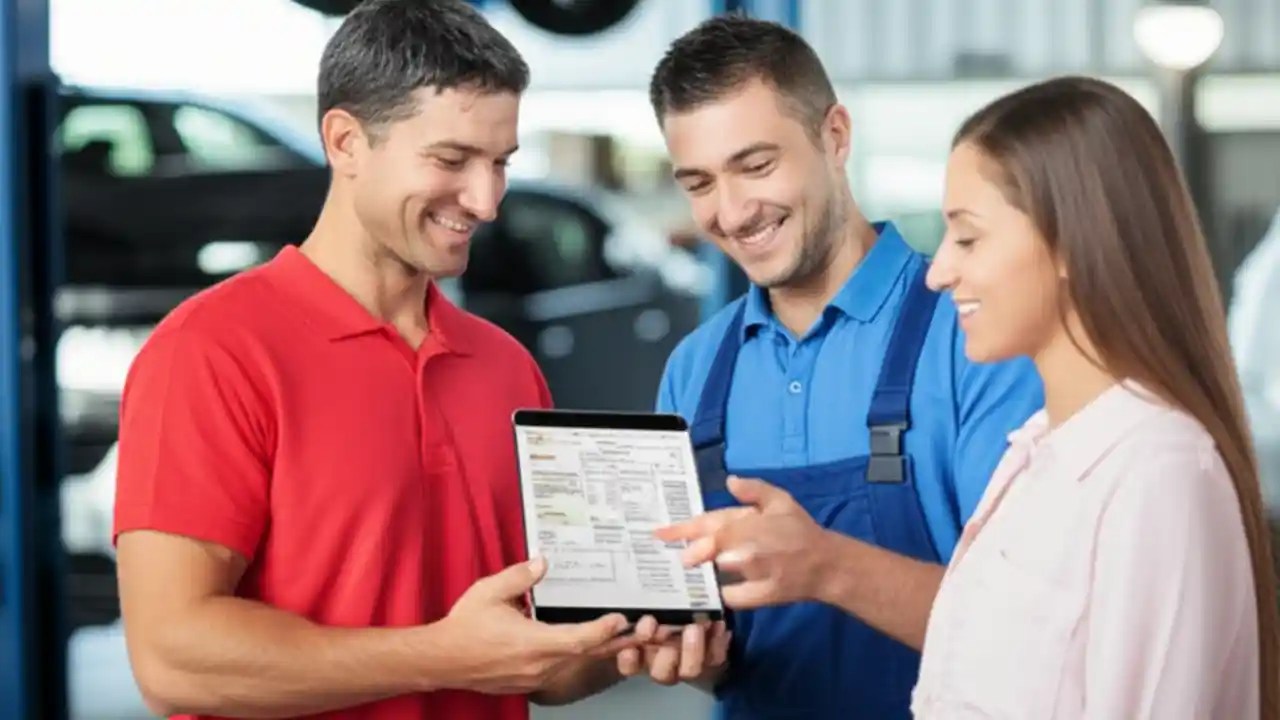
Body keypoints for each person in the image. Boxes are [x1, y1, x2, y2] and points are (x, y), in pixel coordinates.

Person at [670, 75, 1280, 719]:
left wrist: (826, 565)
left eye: (968, 237)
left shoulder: (1159, 472)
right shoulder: (1036, 452)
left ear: (1070, 240)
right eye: (698, 183)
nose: (937, 271)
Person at [111, 2, 650, 719]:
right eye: (452, 160)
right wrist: (442, 654)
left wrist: (634, 643)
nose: (486, 201)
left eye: (500, 163)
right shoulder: (209, 353)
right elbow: (173, 658)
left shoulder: (506, 369)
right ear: (346, 142)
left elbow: (532, 663)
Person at [617, 14, 1044, 720]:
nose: (731, 211)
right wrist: (696, 657)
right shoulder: (695, 370)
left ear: (835, 136)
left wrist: (826, 565)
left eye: (756, 166)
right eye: (699, 183)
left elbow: (1034, 630)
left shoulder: (974, 333)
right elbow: (719, 646)